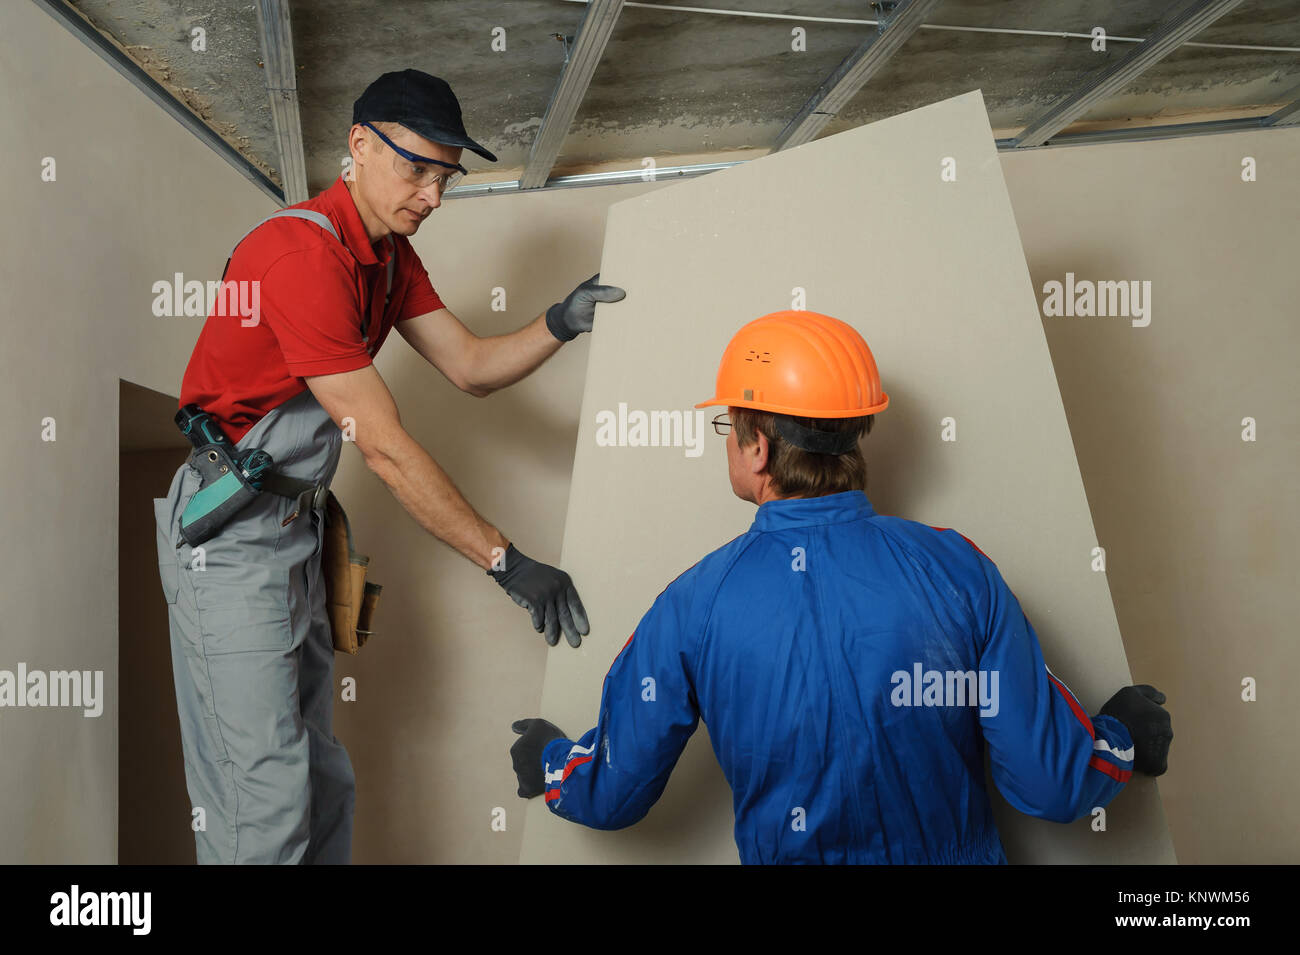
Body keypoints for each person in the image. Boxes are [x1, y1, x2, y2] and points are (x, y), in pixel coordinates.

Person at [153, 69, 625, 864]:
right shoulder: (299, 254)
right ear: (360, 145)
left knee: (323, 781)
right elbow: (380, 441)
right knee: (259, 798)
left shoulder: (387, 258)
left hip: (294, 533)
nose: (433, 195)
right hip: (228, 539)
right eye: (417, 169)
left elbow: (471, 365)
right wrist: (503, 560)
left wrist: (557, 321)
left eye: (446, 176)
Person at [510, 309, 1172, 864]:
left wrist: (551, 761)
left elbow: (612, 790)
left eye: (728, 427)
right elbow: (1053, 781)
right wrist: (1120, 735)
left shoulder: (693, 605)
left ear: (758, 446)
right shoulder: (957, 569)